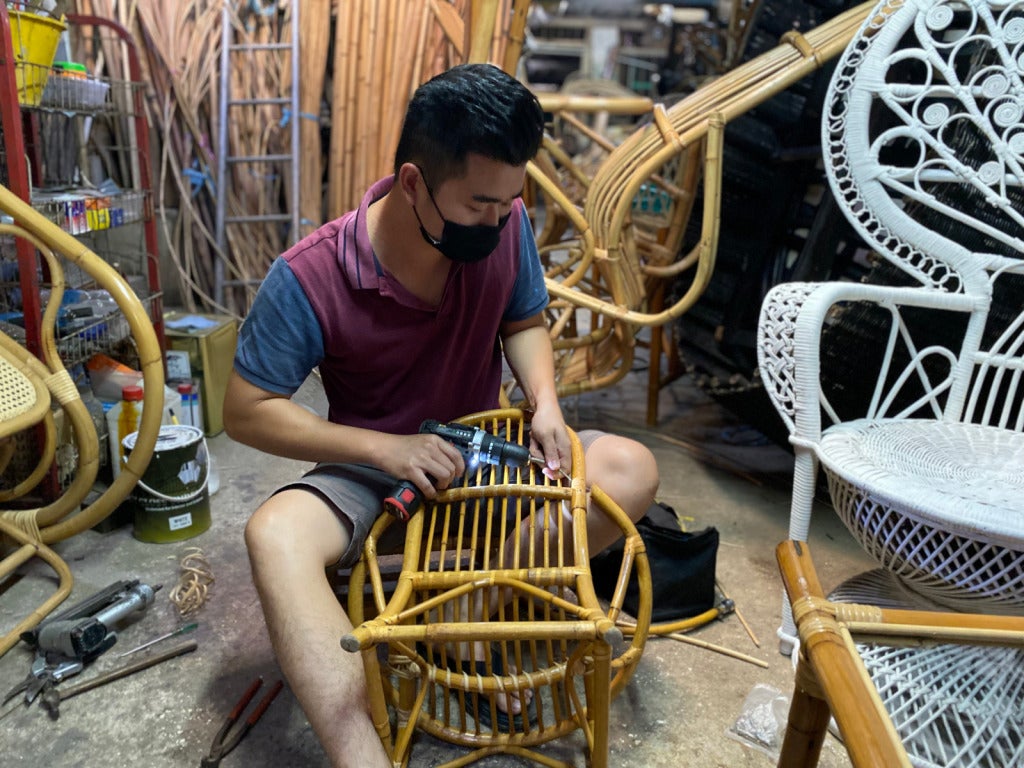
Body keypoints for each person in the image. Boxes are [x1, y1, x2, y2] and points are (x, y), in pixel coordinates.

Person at [223, 62, 659, 768]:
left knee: (629, 469)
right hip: (373, 469)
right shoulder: (310, 275)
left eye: (508, 203)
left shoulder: (504, 219)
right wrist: (385, 449)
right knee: (274, 535)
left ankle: (467, 615)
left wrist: (543, 401)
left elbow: (524, 317)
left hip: (483, 452)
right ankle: (357, 749)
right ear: (413, 183)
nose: (498, 221)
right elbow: (245, 412)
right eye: (480, 205)